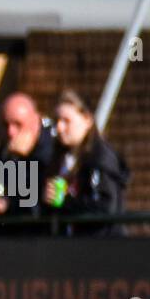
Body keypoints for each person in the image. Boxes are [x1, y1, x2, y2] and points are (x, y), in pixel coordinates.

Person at [42, 89, 130, 237]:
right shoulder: (59, 157)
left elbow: (104, 207)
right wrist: (47, 199)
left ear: (87, 120)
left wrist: (65, 201)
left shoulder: (99, 156)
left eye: (66, 121)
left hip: (100, 248)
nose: (59, 127)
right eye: (57, 120)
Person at [0, 92, 56, 231]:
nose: (11, 132)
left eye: (18, 124)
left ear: (35, 122)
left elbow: (37, 201)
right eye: (6, 125)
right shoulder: (2, 153)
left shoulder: (54, 150)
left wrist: (25, 159)